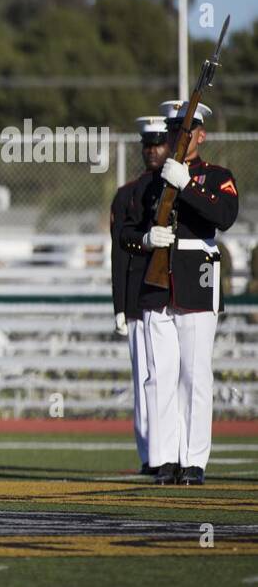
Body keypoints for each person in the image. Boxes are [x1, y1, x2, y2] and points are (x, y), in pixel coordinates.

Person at [119, 100, 239, 486]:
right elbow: (125, 233)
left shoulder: (216, 176)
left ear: (200, 136)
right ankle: (164, 456)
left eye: (185, 132)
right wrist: (145, 238)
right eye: (173, 133)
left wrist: (185, 184)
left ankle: (193, 459)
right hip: (156, 284)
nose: (177, 139)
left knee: (194, 373)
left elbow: (223, 216)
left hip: (197, 278)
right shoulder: (148, 183)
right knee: (160, 375)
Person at [111, 115, 169, 475]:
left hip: (171, 294)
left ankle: (174, 451)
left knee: (172, 376)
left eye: (158, 143)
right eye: (147, 144)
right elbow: (120, 252)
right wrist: (120, 305)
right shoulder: (127, 194)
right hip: (137, 295)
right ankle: (150, 454)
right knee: (144, 377)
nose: (152, 150)